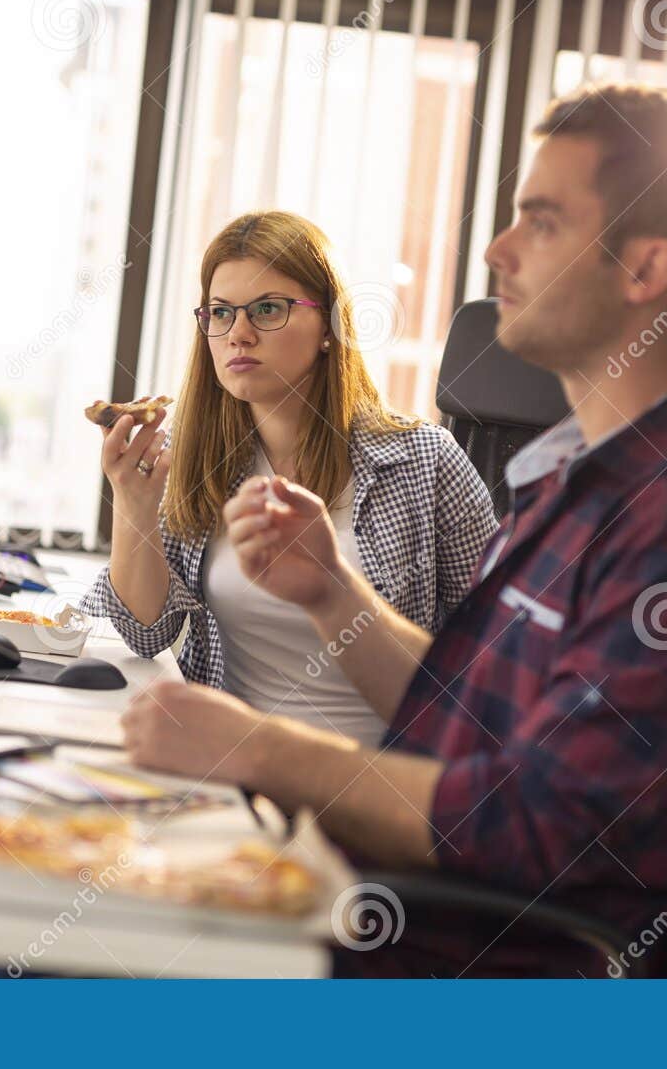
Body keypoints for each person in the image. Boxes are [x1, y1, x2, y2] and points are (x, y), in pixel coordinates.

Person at [119, 84, 667, 975]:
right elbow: (467, 714)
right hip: (371, 899)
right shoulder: (574, 482)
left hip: (450, 960)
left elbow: (543, 828)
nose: (499, 250)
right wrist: (334, 593)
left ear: (644, 270)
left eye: (543, 221)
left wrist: (258, 748)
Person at [82, 211, 495, 747]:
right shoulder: (197, 455)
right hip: (234, 779)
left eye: (268, 309)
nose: (239, 334)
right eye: (220, 313)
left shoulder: (424, 461)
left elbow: (495, 676)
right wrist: (134, 506)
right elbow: (143, 633)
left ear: (329, 325)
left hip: (385, 790)